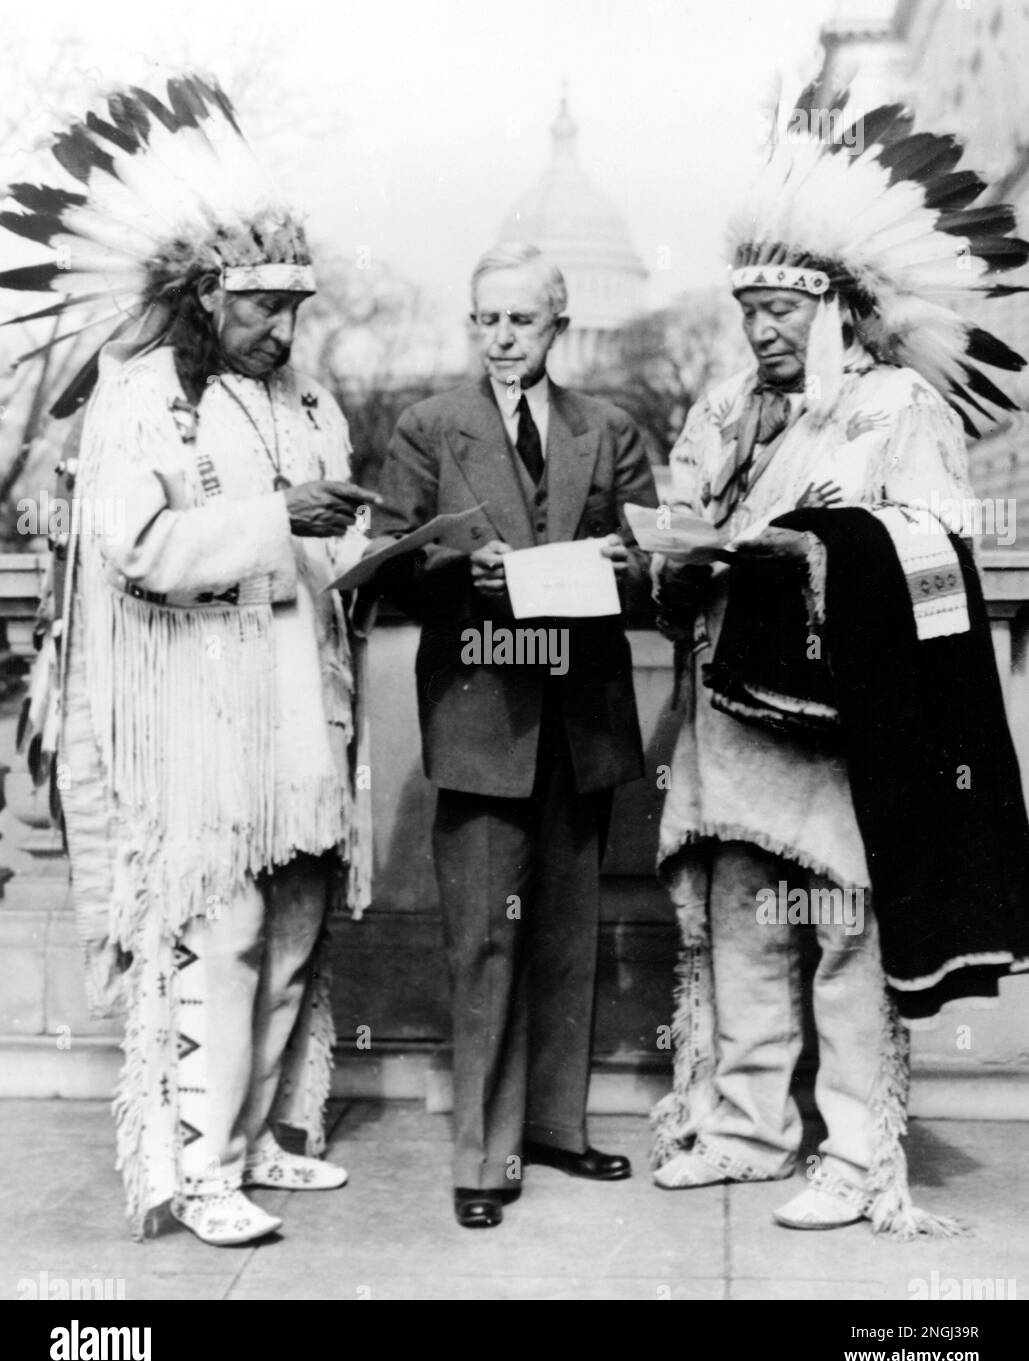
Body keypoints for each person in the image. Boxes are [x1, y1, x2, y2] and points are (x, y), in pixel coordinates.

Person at [3, 75, 377, 1245]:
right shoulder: (137, 399)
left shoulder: (307, 396)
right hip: (197, 717)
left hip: (298, 702)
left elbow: (327, 531)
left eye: (295, 308)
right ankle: (200, 1165)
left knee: (299, 924)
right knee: (223, 933)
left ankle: (261, 1135)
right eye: (265, 307)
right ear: (209, 295)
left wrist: (363, 545)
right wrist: (283, 519)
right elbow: (135, 549)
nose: (285, 329)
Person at [649, 84, 1029, 1235]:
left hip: (838, 726)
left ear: (835, 311)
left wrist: (821, 549)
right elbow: (675, 525)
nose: (760, 332)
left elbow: (940, 554)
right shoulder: (723, 407)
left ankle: (857, 1149)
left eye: (780, 313)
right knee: (743, 924)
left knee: (842, 932)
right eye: (748, 311)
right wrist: (685, 552)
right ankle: (747, 1129)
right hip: (726, 718)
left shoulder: (896, 408)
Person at [372, 242, 658, 1227]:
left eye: (521, 321)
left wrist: (616, 567)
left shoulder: (608, 428)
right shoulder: (425, 427)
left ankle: (554, 1127)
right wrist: (459, 572)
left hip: (580, 718)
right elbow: (393, 567)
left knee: (572, 934)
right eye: (486, 319)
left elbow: (650, 570)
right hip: (484, 714)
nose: (501, 338)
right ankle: (482, 1159)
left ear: (557, 324)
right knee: (486, 939)